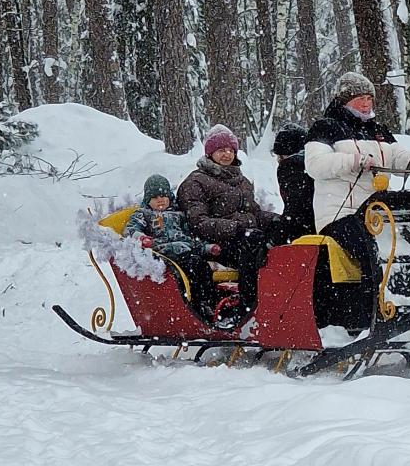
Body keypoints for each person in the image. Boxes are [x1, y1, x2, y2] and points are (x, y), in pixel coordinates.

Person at [303, 72, 410, 290]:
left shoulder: (378, 130)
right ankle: (376, 302)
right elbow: (315, 165)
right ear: (345, 100)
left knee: (406, 243)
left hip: (377, 213)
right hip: (340, 215)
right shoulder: (325, 127)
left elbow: (397, 156)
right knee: (372, 251)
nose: (366, 104)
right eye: (360, 99)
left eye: (369, 99)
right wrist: (353, 161)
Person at [176, 126, 272, 302]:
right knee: (252, 242)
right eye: (221, 150)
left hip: (246, 238)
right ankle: (248, 302)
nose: (227, 154)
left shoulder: (242, 181)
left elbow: (254, 212)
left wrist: (275, 221)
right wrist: (235, 228)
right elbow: (197, 222)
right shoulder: (196, 182)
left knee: (279, 234)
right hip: (215, 244)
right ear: (210, 153)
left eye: (230, 150)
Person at [125, 173, 220, 320]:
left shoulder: (179, 215)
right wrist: (142, 238)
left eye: (163, 196)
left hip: (185, 250)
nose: (160, 200)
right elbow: (131, 229)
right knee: (192, 268)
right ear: (147, 200)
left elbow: (190, 238)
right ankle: (198, 304)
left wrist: (207, 248)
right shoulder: (144, 214)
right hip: (163, 252)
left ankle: (210, 302)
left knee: (201, 266)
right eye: (155, 197)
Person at [271, 124, 316, 240]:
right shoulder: (314, 165)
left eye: (279, 156)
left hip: (304, 234)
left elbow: (294, 208)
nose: (277, 160)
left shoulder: (290, 168)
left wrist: (276, 238)